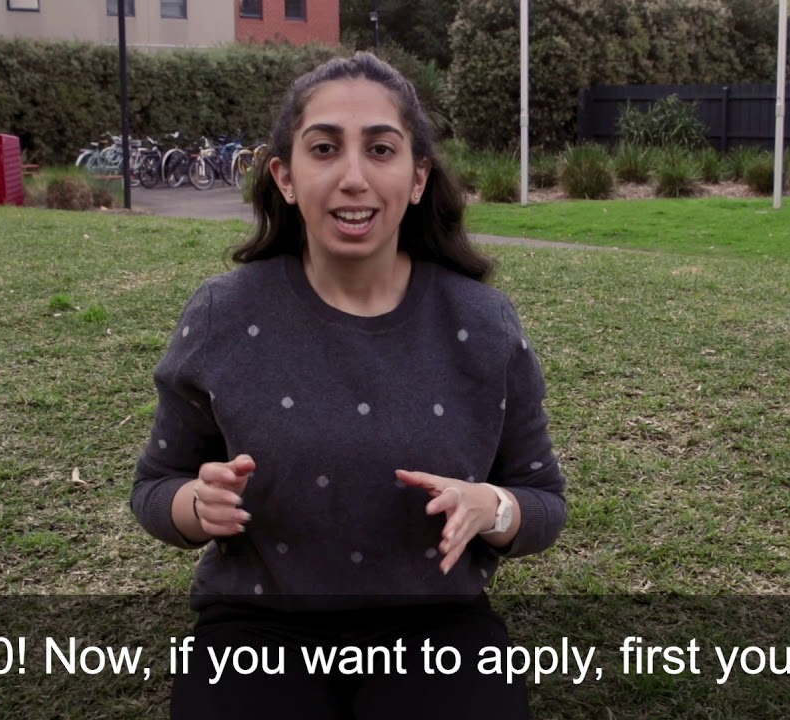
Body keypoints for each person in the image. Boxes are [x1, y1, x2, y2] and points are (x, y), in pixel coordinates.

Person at [130, 52, 567, 719]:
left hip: (435, 631)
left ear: (418, 178)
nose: (354, 177)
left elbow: (542, 502)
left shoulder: (483, 325)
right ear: (284, 175)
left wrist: (493, 509)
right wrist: (195, 503)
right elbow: (156, 485)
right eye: (325, 148)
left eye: (382, 150)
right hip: (257, 628)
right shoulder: (222, 315)